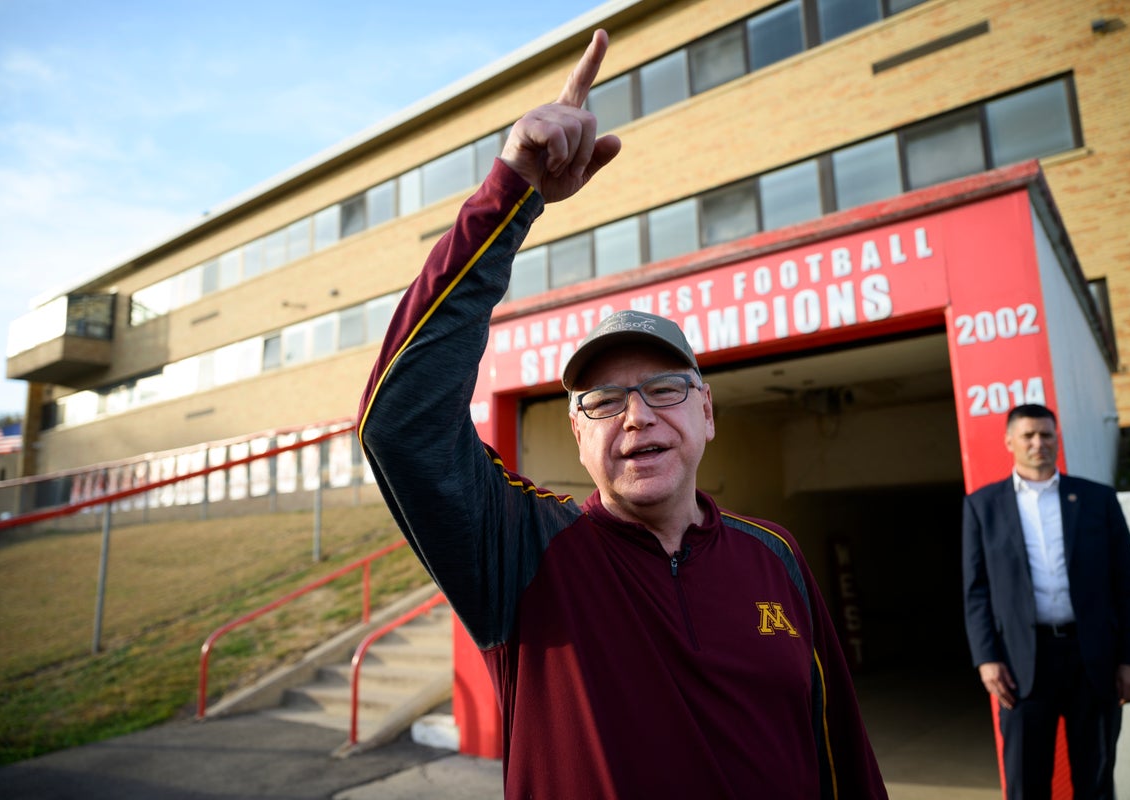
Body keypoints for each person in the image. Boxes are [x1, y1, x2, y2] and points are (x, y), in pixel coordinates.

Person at [358, 30, 887, 799]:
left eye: (664, 390)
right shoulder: (525, 556)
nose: (636, 418)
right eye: (602, 402)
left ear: (707, 412)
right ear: (578, 434)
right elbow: (401, 424)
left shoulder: (776, 558)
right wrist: (510, 193)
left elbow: (841, 756)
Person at [962, 404, 1130, 799]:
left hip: (1093, 660)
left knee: (1095, 781)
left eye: (1046, 434)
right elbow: (976, 591)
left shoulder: (1097, 500)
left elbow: (1128, 584)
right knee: (1026, 783)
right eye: (1028, 435)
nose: (1038, 443)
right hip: (1021, 666)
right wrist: (986, 659)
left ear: (1056, 439)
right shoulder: (982, 506)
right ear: (1009, 441)